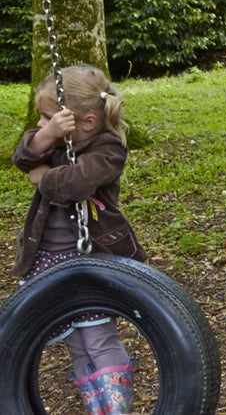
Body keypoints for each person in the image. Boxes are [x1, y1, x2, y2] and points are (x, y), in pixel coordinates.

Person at [11, 65, 144, 413]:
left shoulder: (108, 149)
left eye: (48, 118)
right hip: (49, 261)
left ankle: (116, 409)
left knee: (99, 337)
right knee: (75, 342)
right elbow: (21, 157)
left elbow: (76, 184)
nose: (42, 125)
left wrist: (43, 178)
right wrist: (45, 136)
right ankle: (96, 407)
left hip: (90, 258)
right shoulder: (55, 144)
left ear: (84, 122)